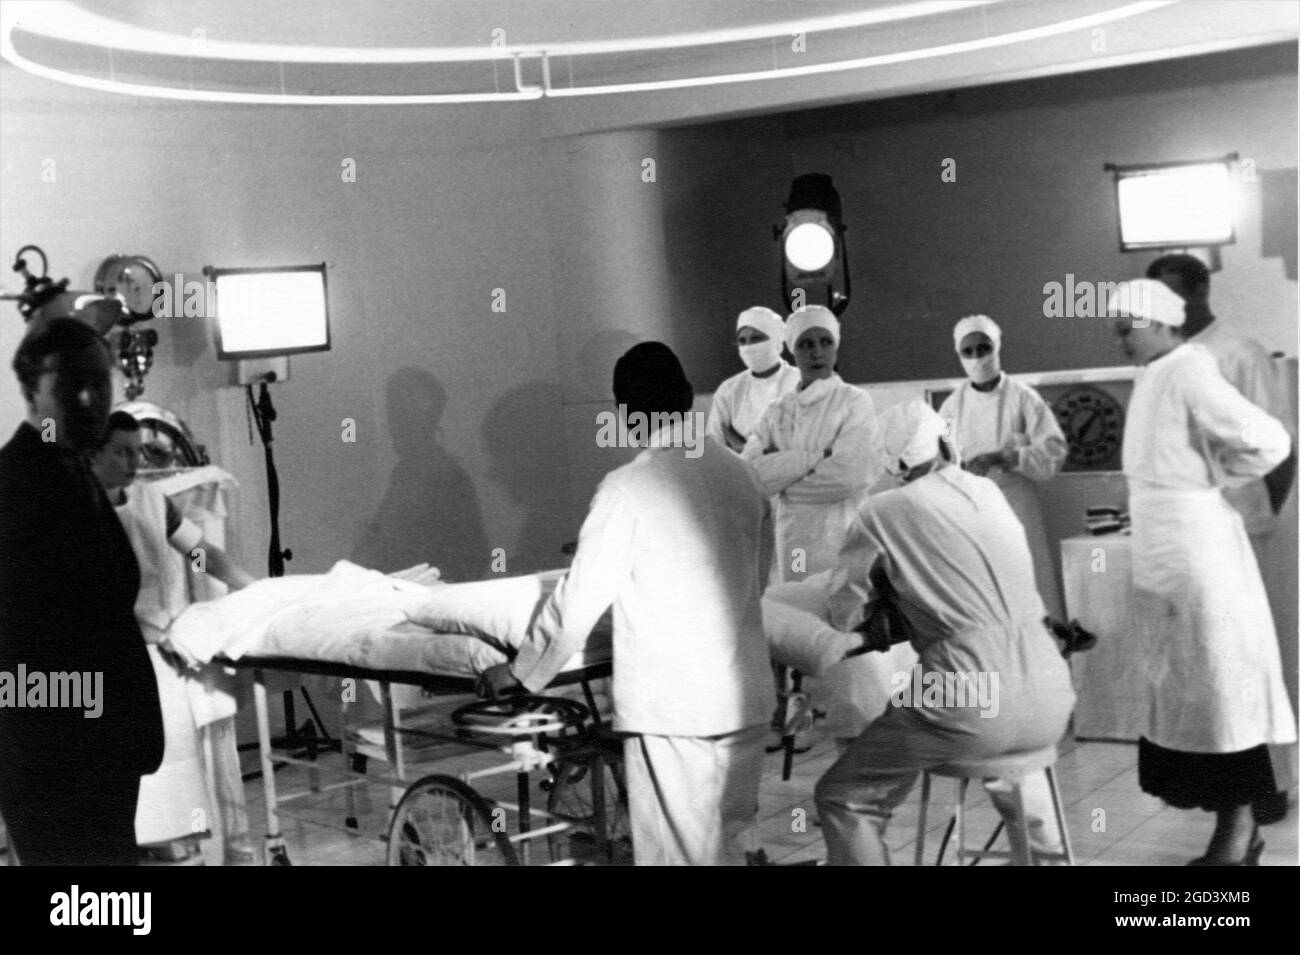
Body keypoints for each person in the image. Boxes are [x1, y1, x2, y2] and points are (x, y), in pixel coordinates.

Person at [480, 342, 775, 865]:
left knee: (677, 856)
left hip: (676, 711)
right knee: (733, 841)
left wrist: (522, 673)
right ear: (687, 399)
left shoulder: (628, 489)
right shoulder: (744, 475)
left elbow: (577, 602)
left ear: (627, 414)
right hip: (746, 697)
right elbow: (756, 580)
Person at [814, 400, 1076, 866]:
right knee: (1010, 764)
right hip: (1051, 690)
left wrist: (886, 601)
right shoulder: (990, 493)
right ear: (944, 440)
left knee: (845, 794)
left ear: (891, 464)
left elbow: (843, 610)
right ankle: (1047, 859)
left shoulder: (882, 509)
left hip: (964, 689)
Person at [1109, 278, 1295, 865]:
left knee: (1220, 694)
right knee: (1188, 691)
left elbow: (1270, 440)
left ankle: (1238, 834)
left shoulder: (1190, 370)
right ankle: (1235, 830)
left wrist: (1219, 478)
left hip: (1199, 556)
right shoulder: (1156, 376)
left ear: (1166, 322)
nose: (1120, 340)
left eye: (1128, 328)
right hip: (1166, 559)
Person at [0, 318, 164, 865]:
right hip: (55, 752)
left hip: (100, 746)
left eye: (101, 381)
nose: (92, 398)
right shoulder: (16, 481)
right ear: (31, 393)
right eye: (72, 385)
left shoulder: (71, 471)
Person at [89, 410, 257, 864]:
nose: (134, 461)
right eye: (121, 452)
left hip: (160, 655)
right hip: (110, 659)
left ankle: (179, 851)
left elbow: (199, 554)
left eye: (138, 450)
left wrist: (249, 585)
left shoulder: (152, 502)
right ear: (94, 453)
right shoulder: (75, 509)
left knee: (174, 782)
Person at [742, 304, 883, 742]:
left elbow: (852, 474)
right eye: (805, 343)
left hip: (842, 538)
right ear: (791, 349)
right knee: (799, 634)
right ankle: (805, 730)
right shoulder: (777, 411)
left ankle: (857, 745)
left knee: (846, 645)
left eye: (824, 342)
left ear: (836, 346)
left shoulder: (854, 402)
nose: (816, 351)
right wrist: (809, 461)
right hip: (794, 542)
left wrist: (785, 479)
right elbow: (748, 475)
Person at [939, 314, 1068, 620]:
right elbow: (939, 461)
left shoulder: (1023, 399)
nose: (977, 358)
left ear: (996, 347)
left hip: (1017, 507)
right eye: (967, 352)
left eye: (983, 349)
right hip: (973, 511)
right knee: (984, 595)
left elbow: (1053, 454)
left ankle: (1048, 656)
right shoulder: (951, 407)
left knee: (1032, 588)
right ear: (959, 355)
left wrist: (1005, 457)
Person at [706, 306, 800, 453]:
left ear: (775, 340)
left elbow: (809, 445)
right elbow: (715, 444)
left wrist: (743, 448)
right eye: (742, 340)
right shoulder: (729, 390)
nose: (748, 347)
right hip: (740, 473)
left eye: (756, 338)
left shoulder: (801, 382)